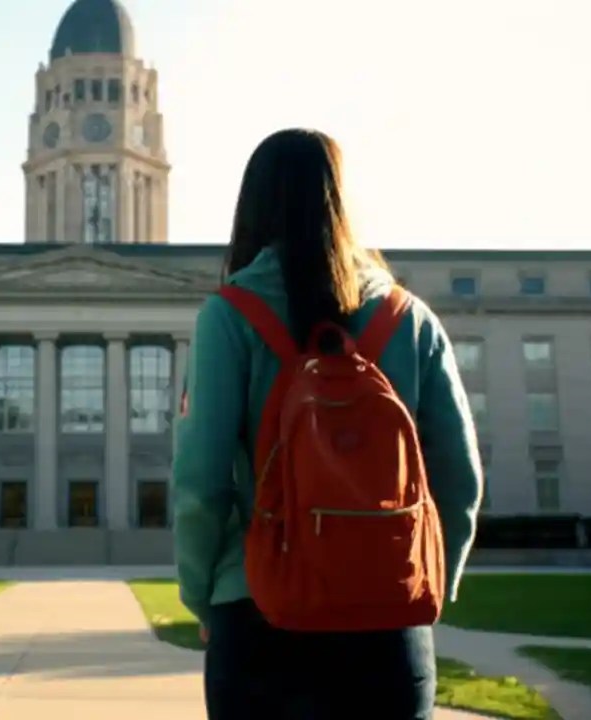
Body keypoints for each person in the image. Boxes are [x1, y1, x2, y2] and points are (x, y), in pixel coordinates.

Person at [172, 128, 483, 720]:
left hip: (256, 609)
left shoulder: (229, 317)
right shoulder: (411, 318)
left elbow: (200, 483)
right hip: (387, 620)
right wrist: (430, 584)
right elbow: (459, 478)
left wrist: (202, 596)